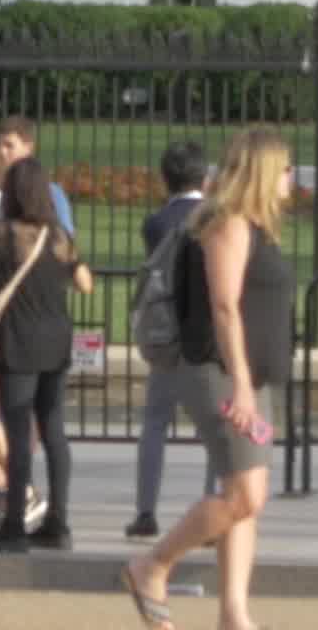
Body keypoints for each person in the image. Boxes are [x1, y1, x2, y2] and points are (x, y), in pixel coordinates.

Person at [124, 126, 295, 630]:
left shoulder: (257, 226)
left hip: (253, 374)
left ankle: (233, 613)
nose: (292, 176)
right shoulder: (227, 224)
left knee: (243, 494)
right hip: (220, 372)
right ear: (264, 171)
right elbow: (224, 308)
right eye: (285, 167)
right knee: (245, 495)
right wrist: (241, 383)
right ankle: (152, 565)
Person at [0, 153, 87, 552]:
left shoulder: (5, 234)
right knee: (54, 429)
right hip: (56, 336)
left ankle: (15, 524)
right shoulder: (59, 237)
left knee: (19, 433)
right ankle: (59, 521)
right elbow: (83, 279)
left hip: (20, 339)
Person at [127, 138, 215, 540]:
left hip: (167, 334)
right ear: (205, 177)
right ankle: (214, 504)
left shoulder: (156, 223)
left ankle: (146, 510)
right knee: (215, 427)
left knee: (155, 423)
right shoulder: (213, 218)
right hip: (206, 334)